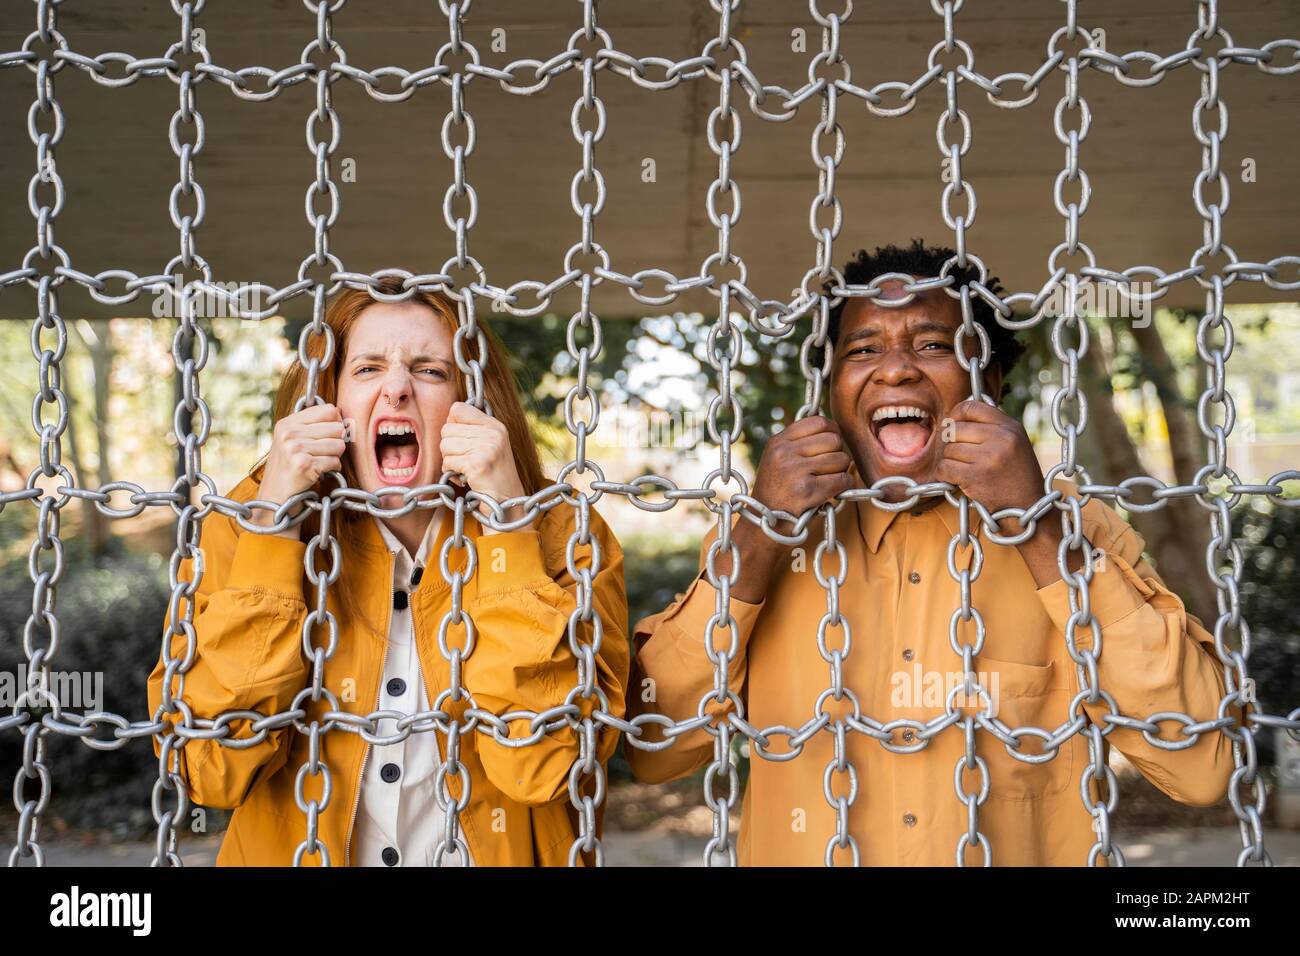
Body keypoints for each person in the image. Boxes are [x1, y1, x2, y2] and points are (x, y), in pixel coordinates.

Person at [627, 239, 1238, 866]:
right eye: (863, 350)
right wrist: (760, 533)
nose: (895, 370)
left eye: (932, 345)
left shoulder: (1079, 530)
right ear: (829, 388)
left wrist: (1033, 528)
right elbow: (654, 750)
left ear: (991, 383)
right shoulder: (760, 536)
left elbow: (1202, 766)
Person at [147, 277, 629, 866]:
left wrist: (507, 527)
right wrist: (273, 531)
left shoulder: (566, 534)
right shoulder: (243, 524)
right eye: (367, 369)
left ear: (475, 404)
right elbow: (209, 770)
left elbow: (547, 766)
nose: (397, 389)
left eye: (430, 371)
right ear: (327, 403)